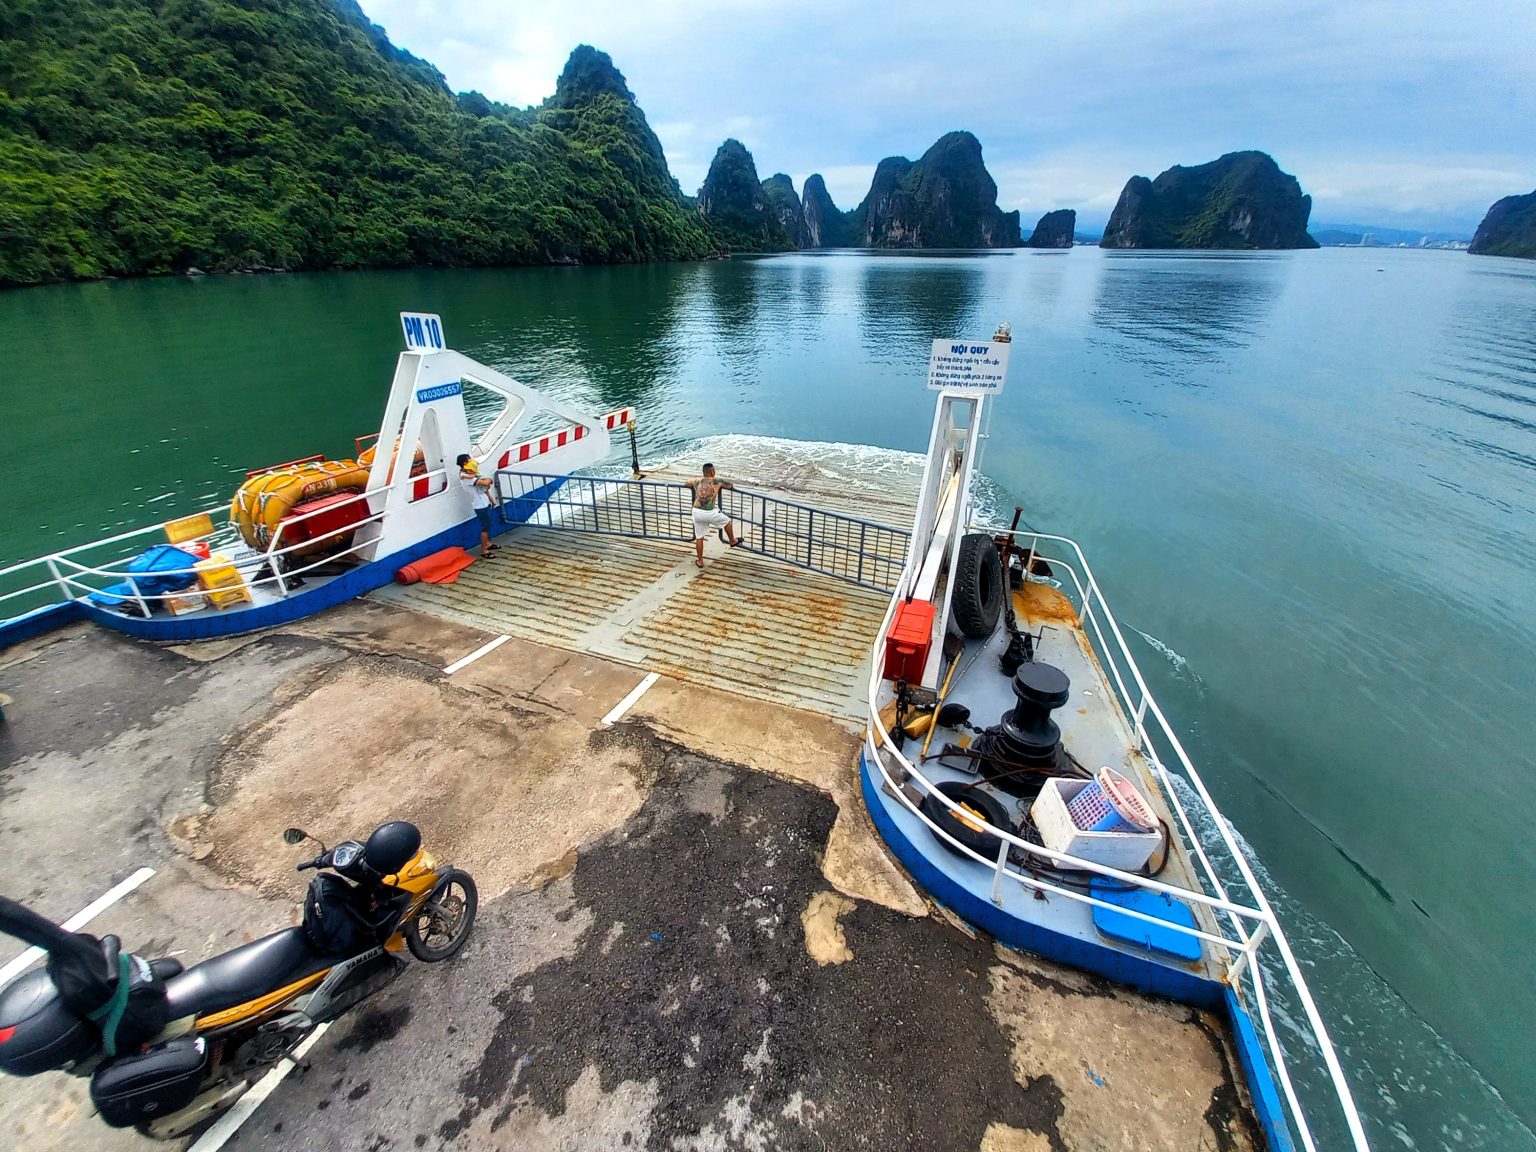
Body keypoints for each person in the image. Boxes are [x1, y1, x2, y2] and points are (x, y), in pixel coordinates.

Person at [685, 463, 741, 568]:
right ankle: (732, 540)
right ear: (712, 471)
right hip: (710, 512)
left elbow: (687, 483)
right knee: (727, 521)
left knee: (699, 537)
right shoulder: (717, 481)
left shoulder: (697, 480)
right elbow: (730, 485)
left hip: (697, 512)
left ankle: (700, 561)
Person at [457, 453, 499, 559]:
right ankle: (484, 550)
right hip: (480, 506)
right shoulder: (467, 478)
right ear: (465, 463)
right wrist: (489, 480)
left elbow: (486, 484)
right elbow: (485, 483)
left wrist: (488, 482)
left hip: (485, 502)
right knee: (485, 527)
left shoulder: (471, 474)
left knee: (488, 525)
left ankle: (488, 543)